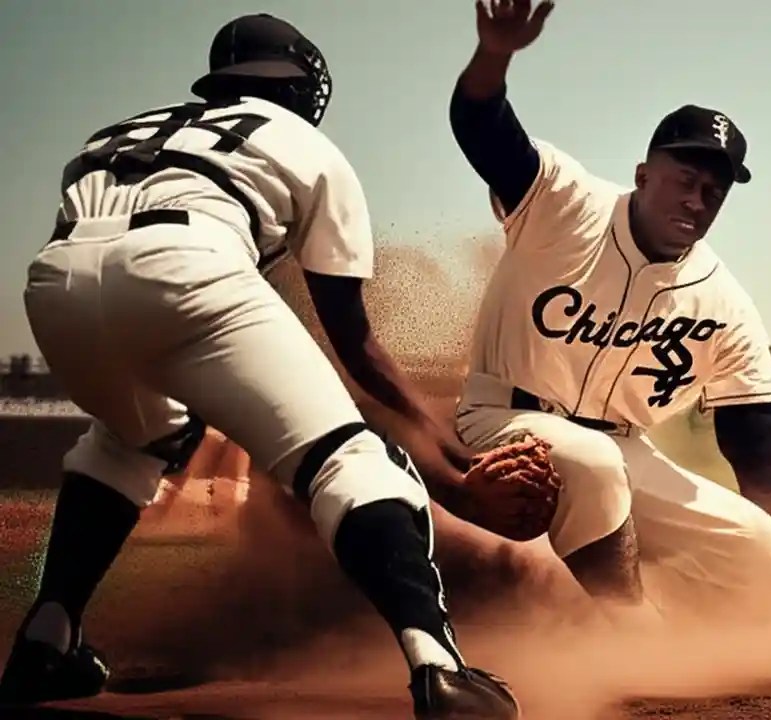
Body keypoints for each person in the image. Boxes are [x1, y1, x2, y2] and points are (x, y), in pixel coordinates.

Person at [0, 13, 520, 719]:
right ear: (302, 88)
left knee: (132, 441)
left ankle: (45, 640)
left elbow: (109, 248)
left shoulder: (120, 129)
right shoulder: (306, 143)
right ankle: (442, 669)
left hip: (55, 284)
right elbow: (354, 342)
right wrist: (447, 453)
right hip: (185, 264)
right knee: (352, 459)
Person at [447, 0, 771, 628]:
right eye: (685, 179)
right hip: (500, 419)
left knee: (761, 551)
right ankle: (632, 634)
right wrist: (495, 53)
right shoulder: (565, 203)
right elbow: (481, 125)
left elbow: (755, 445)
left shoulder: (722, 301)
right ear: (643, 174)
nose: (697, 200)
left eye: (713, 192)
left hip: (622, 450)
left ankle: (704, 645)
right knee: (591, 465)